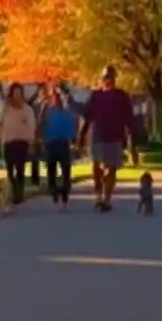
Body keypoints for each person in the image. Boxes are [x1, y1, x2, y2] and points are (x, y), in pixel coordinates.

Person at [79, 65, 138, 212]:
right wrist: (81, 135)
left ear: (115, 79)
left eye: (111, 77)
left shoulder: (121, 96)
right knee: (96, 167)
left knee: (111, 168)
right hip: (97, 135)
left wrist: (132, 140)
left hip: (114, 136)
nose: (108, 80)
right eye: (106, 78)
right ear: (102, 79)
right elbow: (87, 117)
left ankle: (107, 199)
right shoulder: (96, 96)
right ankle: (98, 194)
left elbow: (129, 119)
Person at [0, 82, 36, 205]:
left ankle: (19, 193)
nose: (17, 95)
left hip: (22, 141)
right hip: (9, 141)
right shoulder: (5, 108)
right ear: (11, 94)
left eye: (19, 93)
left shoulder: (27, 109)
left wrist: (31, 141)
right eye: (15, 93)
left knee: (20, 168)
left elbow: (31, 125)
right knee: (9, 168)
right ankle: (11, 190)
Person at [39, 88, 77, 211]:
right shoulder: (47, 112)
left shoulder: (66, 113)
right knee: (51, 171)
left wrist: (73, 140)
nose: (57, 100)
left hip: (63, 144)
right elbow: (42, 126)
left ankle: (64, 197)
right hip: (51, 144)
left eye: (59, 97)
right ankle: (54, 193)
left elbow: (71, 129)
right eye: (55, 97)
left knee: (66, 172)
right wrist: (42, 140)